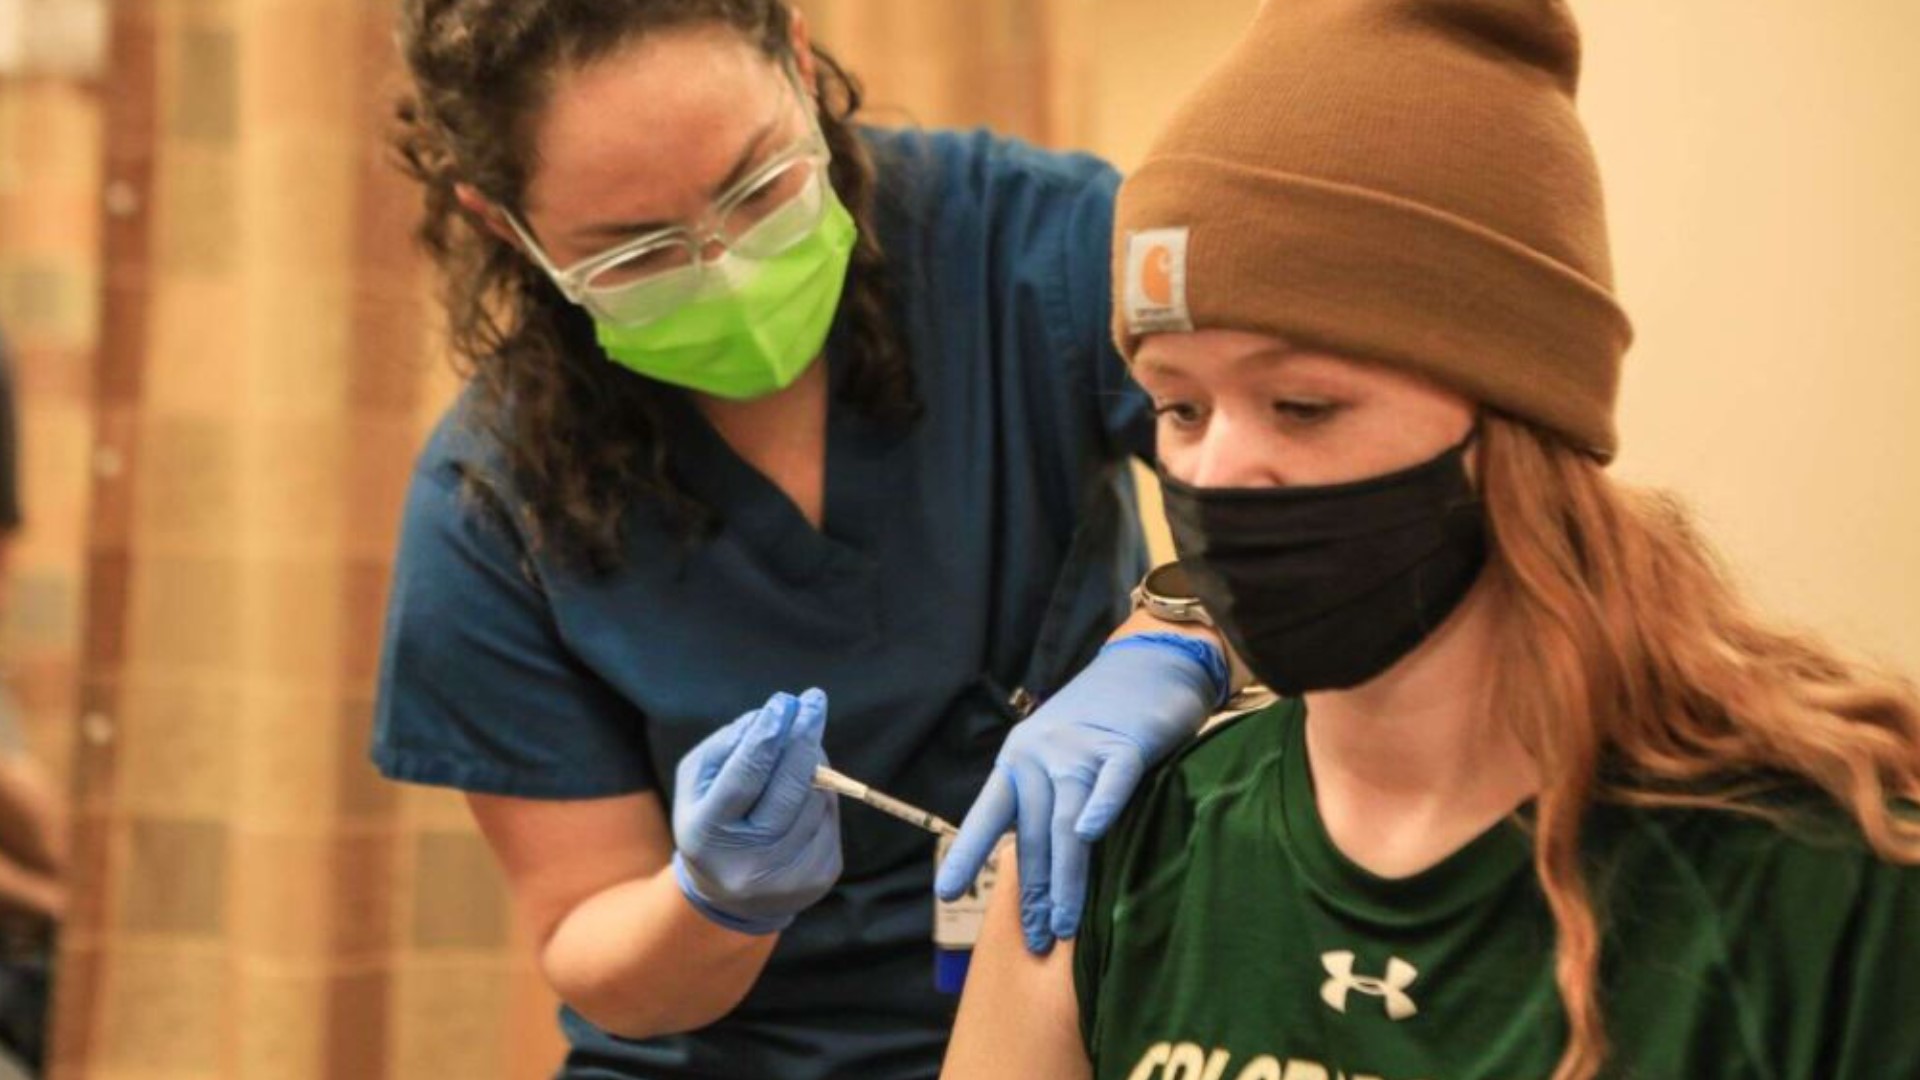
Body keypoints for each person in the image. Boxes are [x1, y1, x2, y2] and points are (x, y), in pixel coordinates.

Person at [941, 2, 1920, 1079]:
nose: (1215, 472)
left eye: (1302, 405)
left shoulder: (1829, 889)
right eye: (1180, 409)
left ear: (1511, 425)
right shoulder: (1113, 861)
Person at [372, 2, 1237, 1076]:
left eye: (757, 186)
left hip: (1079, 1003)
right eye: (638, 251)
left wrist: (1175, 640)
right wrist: (710, 904)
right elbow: (593, 943)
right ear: (507, 226)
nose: (729, 267)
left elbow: (1310, 506)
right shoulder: (492, 502)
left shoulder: (1030, 249)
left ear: (794, 62)